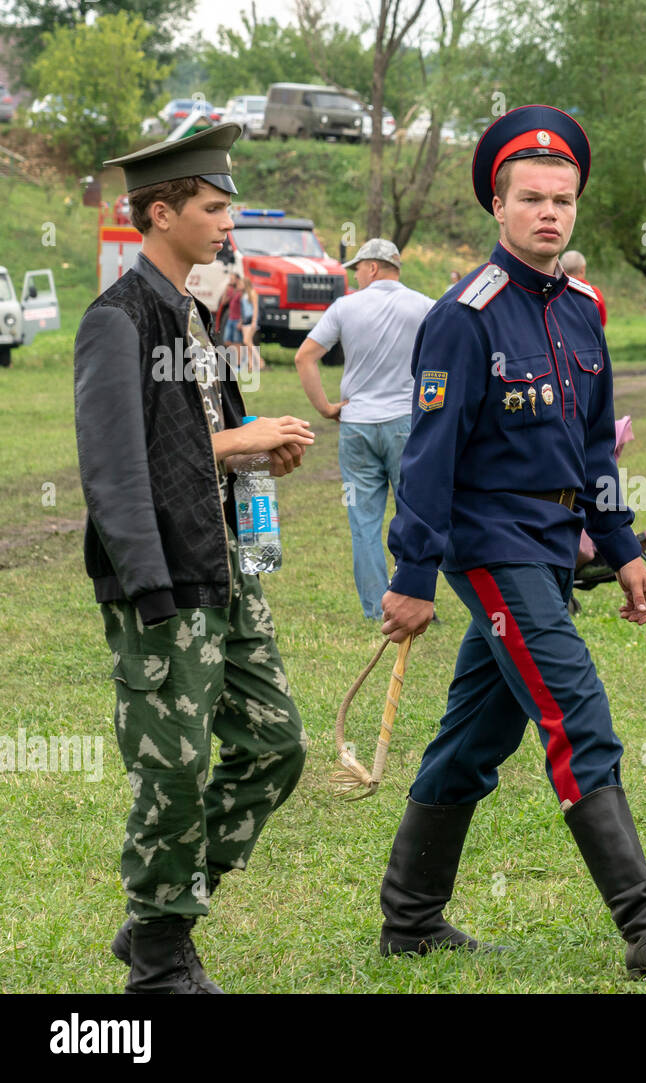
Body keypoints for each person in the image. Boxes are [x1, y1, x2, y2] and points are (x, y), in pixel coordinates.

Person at [377, 105, 646, 977]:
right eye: (531, 198)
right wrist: (413, 572)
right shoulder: (464, 314)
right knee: (576, 710)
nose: (549, 214)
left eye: (562, 200)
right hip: (490, 544)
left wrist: (624, 546)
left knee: (473, 736)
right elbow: (429, 456)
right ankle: (645, 921)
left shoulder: (579, 310)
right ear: (498, 206)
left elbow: (596, 443)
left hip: (556, 535)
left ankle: (410, 919)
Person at [74, 123, 315, 993]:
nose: (227, 221)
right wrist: (147, 587)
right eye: (213, 208)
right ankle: (162, 953)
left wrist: (251, 452)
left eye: (228, 206)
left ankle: (154, 912)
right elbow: (112, 467)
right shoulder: (117, 318)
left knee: (276, 745)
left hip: (228, 569)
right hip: (164, 578)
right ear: (162, 211)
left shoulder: (195, 313)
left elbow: (195, 438)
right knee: (173, 768)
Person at [294, 238, 435, 621]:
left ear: (373, 268)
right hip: (407, 425)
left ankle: (377, 609)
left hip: (356, 426)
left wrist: (325, 408)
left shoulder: (345, 307)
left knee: (364, 521)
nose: (355, 275)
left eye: (358, 268)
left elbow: (304, 356)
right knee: (414, 515)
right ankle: (415, 594)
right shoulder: (425, 306)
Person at [560, 249, 607, 326]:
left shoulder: (555, 291)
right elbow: (602, 322)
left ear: (561, 268)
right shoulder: (594, 293)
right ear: (583, 269)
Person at [239, 275, 262, 371]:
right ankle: (251, 364)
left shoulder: (253, 293)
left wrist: (254, 321)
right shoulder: (244, 294)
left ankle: (260, 361)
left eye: (241, 283)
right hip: (245, 320)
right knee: (248, 343)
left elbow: (256, 308)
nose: (240, 285)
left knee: (246, 341)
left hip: (251, 319)